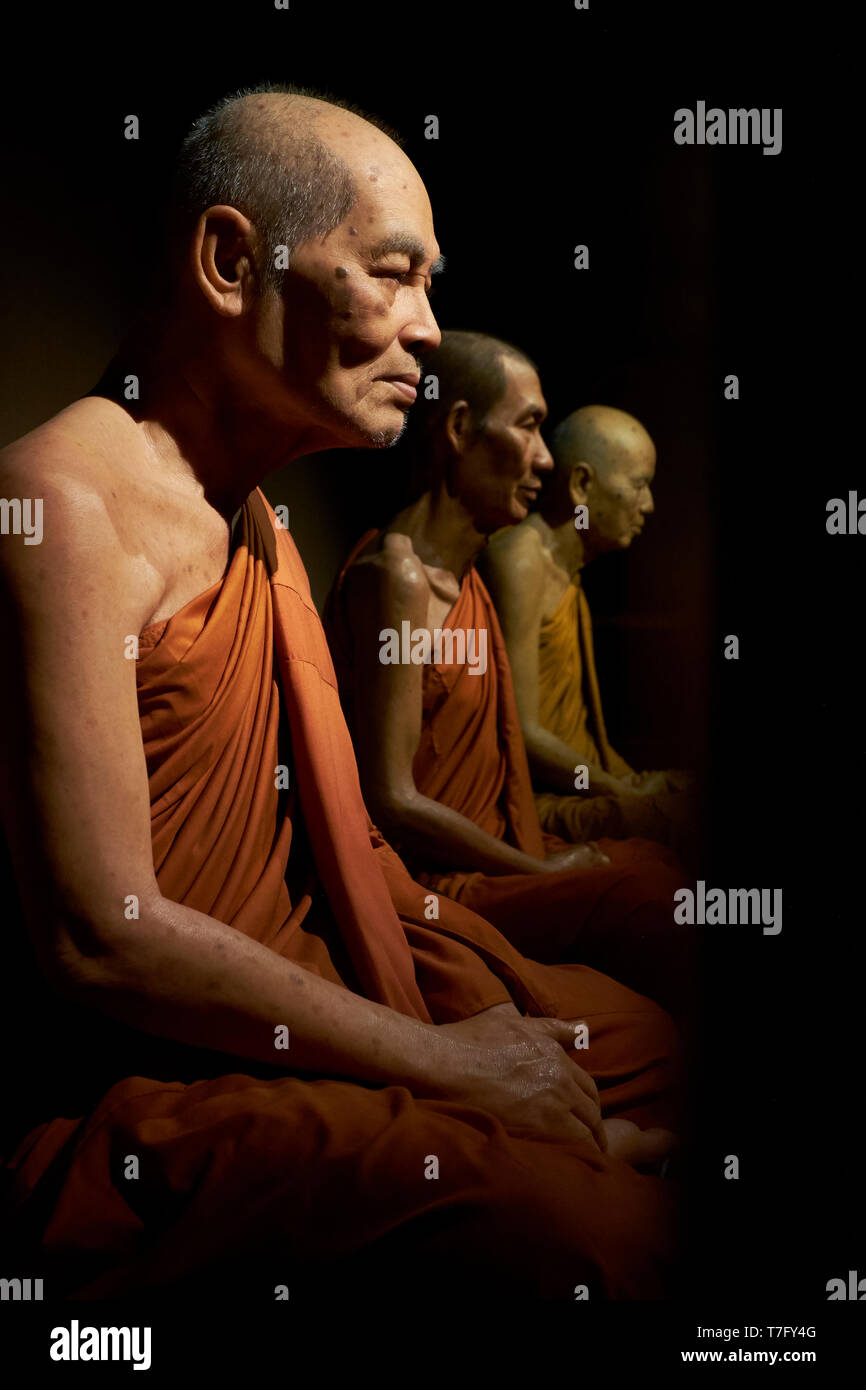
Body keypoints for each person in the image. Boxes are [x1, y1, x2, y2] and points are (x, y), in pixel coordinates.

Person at [0, 85, 680, 1302]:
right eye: (394, 273)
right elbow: (103, 936)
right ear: (228, 260)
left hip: (327, 978)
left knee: (656, 1046)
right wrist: (449, 1068)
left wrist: (464, 1029)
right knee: (611, 1244)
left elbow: (337, 840)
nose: (427, 329)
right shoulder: (60, 507)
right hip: (161, 1082)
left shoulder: (253, 522)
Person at [326, 331, 692, 1013]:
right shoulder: (396, 579)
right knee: (658, 902)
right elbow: (392, 800)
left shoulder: (467, 579)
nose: (546, 460)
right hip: (442, 886)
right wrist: (539, 868)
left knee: (656, 867)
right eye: (528, 427)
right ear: (460, 429)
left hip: (502, 850)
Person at [479, 403, 693, 851]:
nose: (649, 505)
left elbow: (583, 738)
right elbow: (522, 730)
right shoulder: (520, 559)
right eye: (639, 486)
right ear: (581, 484)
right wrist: (625, 793)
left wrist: (632, 780)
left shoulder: (569, 572)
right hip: (535, 804)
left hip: (581, 786)